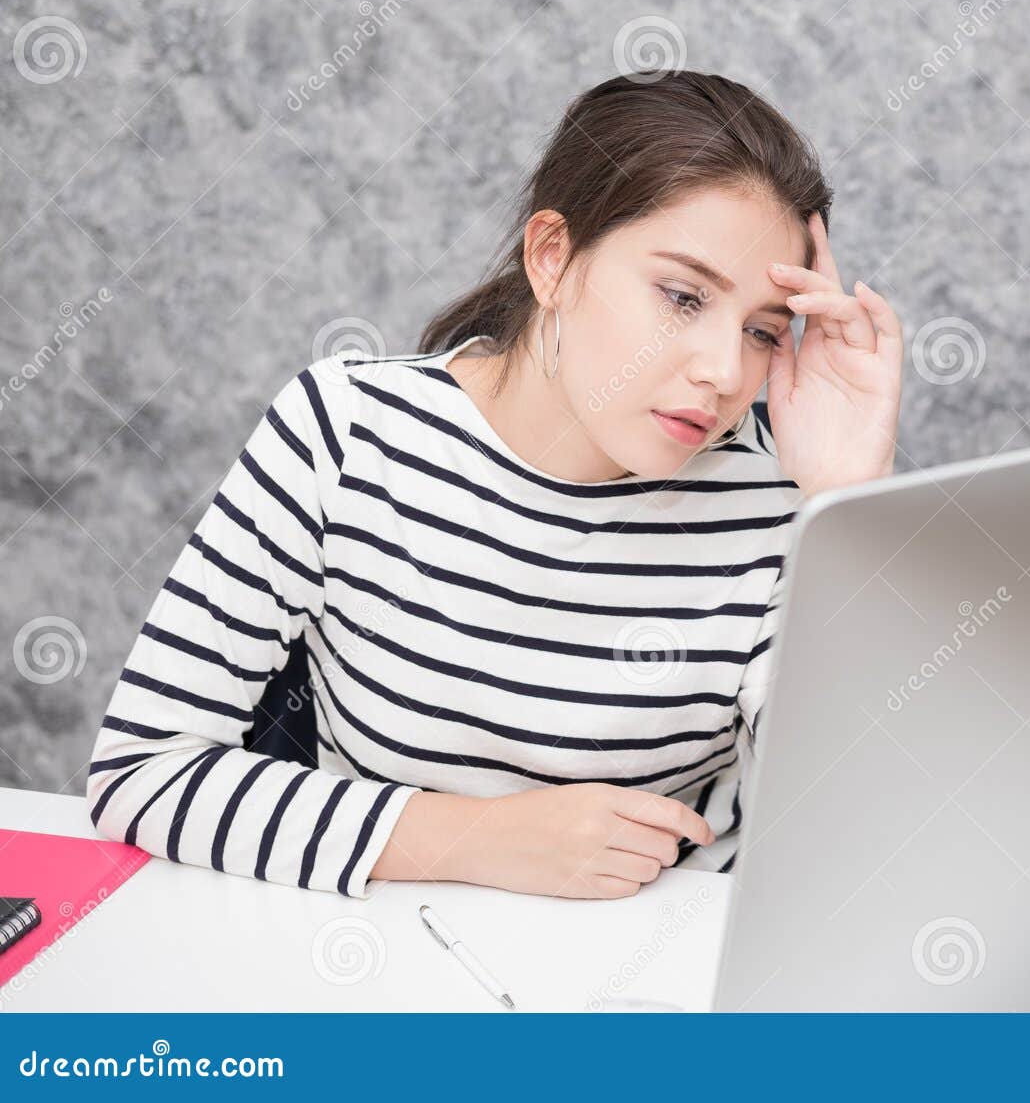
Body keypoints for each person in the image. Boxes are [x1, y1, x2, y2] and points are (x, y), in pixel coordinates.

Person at [85, 70, 903, 900]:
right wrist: (478, 837)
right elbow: (143, 771)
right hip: (385, 949)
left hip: (663, 961)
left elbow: (862, 835)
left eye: (762, 330)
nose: (725, 372)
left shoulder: (776, 498)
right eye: (683, 297)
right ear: (553, 259)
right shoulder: (347, 432)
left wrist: (844, 505)